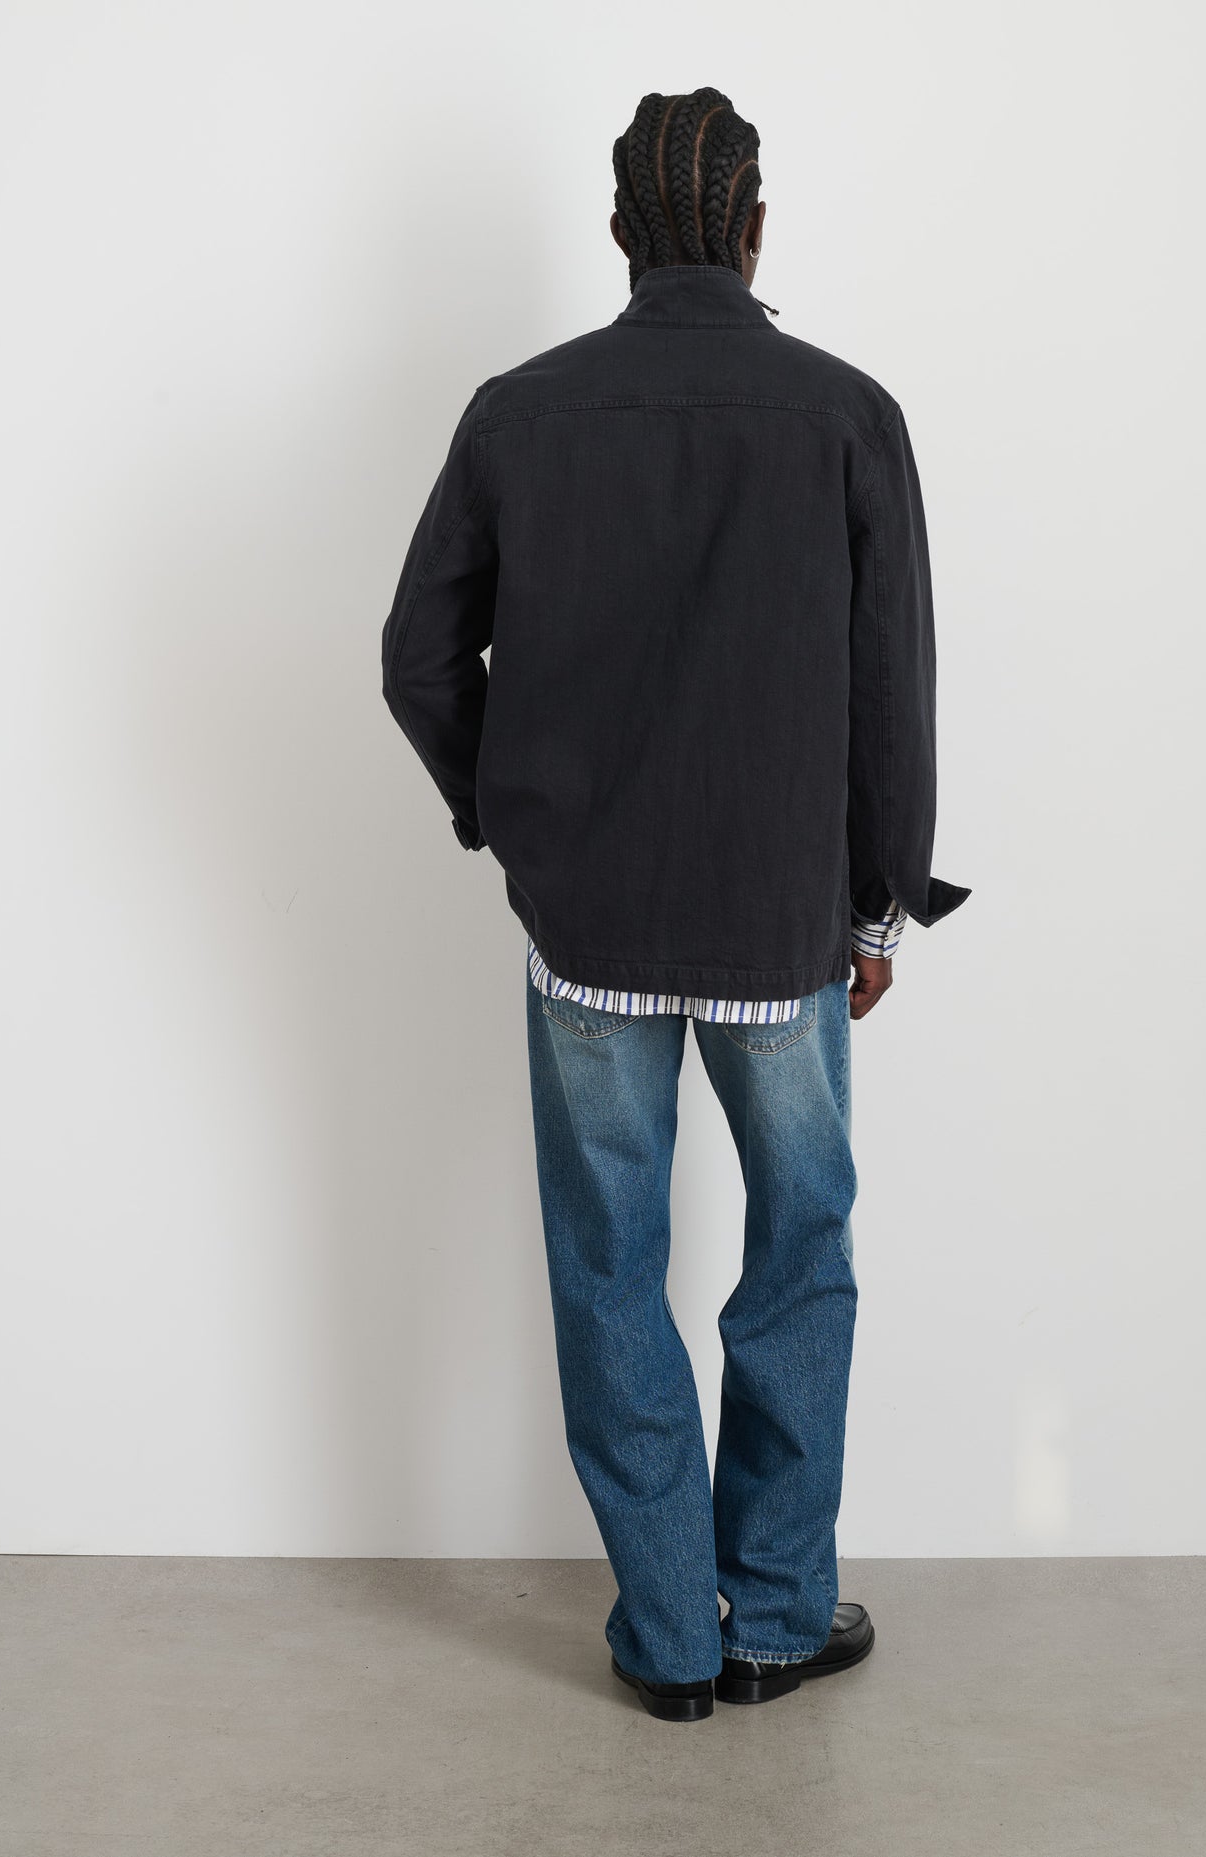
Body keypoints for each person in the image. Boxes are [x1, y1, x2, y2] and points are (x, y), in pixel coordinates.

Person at [381, 87, 971, 1724]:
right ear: (755, 229)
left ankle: (667, 1634)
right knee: (801, 1254)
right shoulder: (847, 414)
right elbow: (893, 694)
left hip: (588, 934)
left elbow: (417, 658)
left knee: (605, 1266)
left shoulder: (519, 414)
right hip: (781, 927)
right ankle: (773, 1613)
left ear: (620, 234)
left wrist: (509, 819)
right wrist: (876, 911)